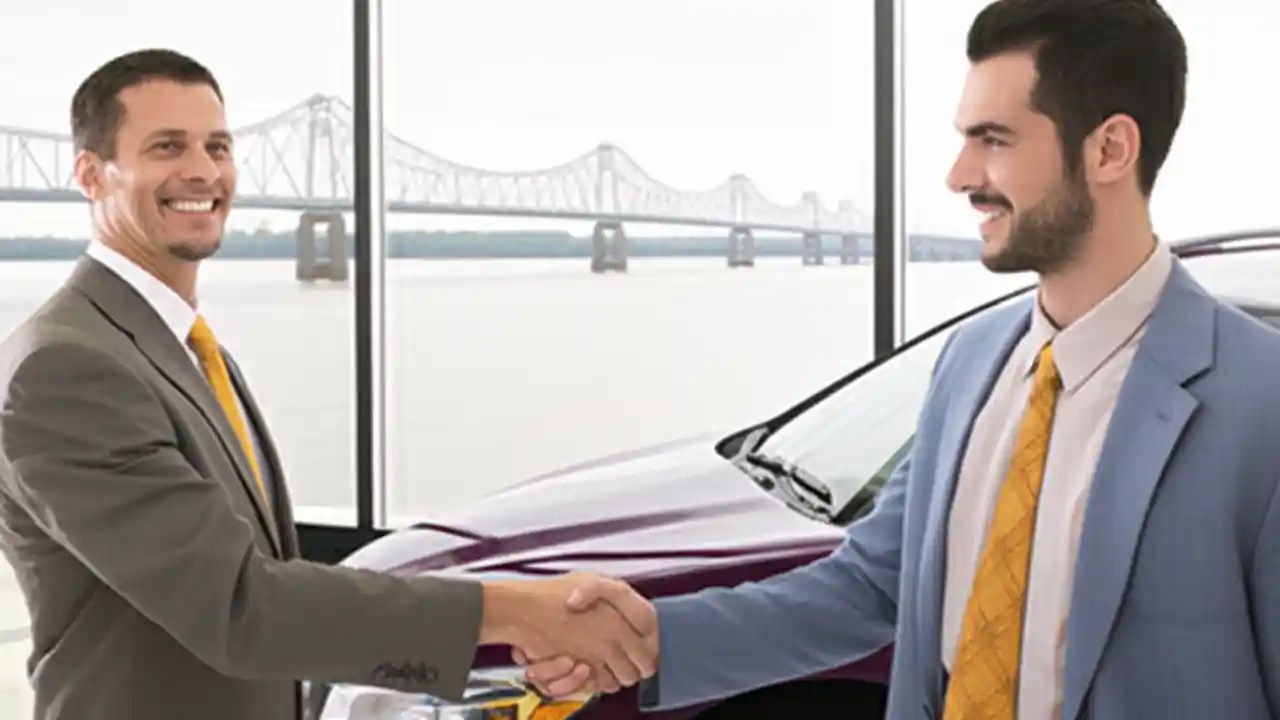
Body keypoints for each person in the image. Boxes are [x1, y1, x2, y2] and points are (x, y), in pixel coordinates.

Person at [523, 0, 1280, 717]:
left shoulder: (1262, 402)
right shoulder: (971, 363)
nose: (959, 175)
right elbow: (868, 589)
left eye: (995, 139)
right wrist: (649, 639)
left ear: (1111, 148)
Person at [0, 49, 656, 720]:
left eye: (218, 146)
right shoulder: (63, 371)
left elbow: (269, 574)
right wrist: (518, 612)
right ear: (89, 174)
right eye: (167, 147)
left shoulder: (184, 348)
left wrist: (507, 644)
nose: (203, 170)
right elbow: (241, 606)